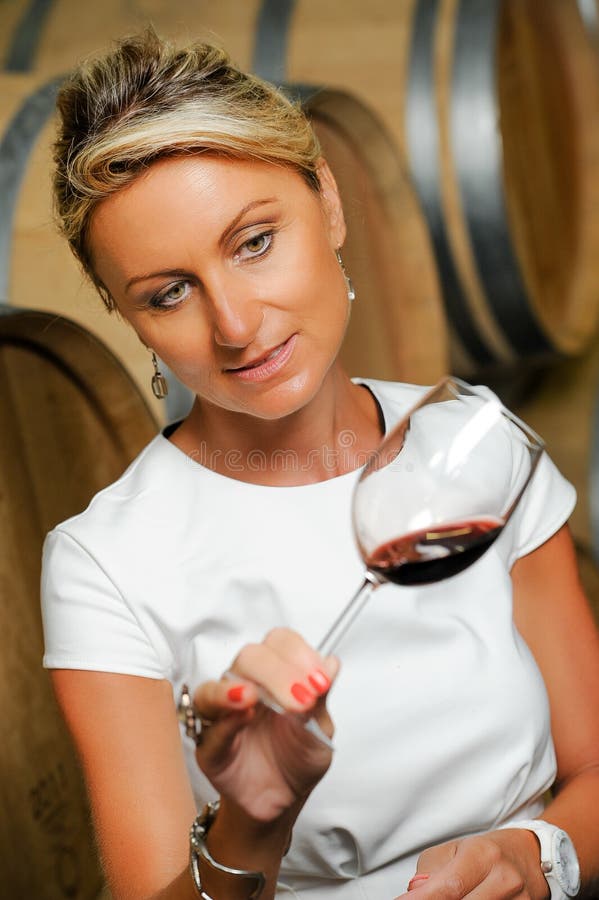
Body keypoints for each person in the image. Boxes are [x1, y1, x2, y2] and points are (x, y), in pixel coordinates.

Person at [41, 28, 599, 900]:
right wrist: (253, 825)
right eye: (169, 292)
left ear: (328, 207)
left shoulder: (473, 444)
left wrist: (538, 856)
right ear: (131, 319)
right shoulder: (102, 562)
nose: (233, 324)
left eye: (254, 241)